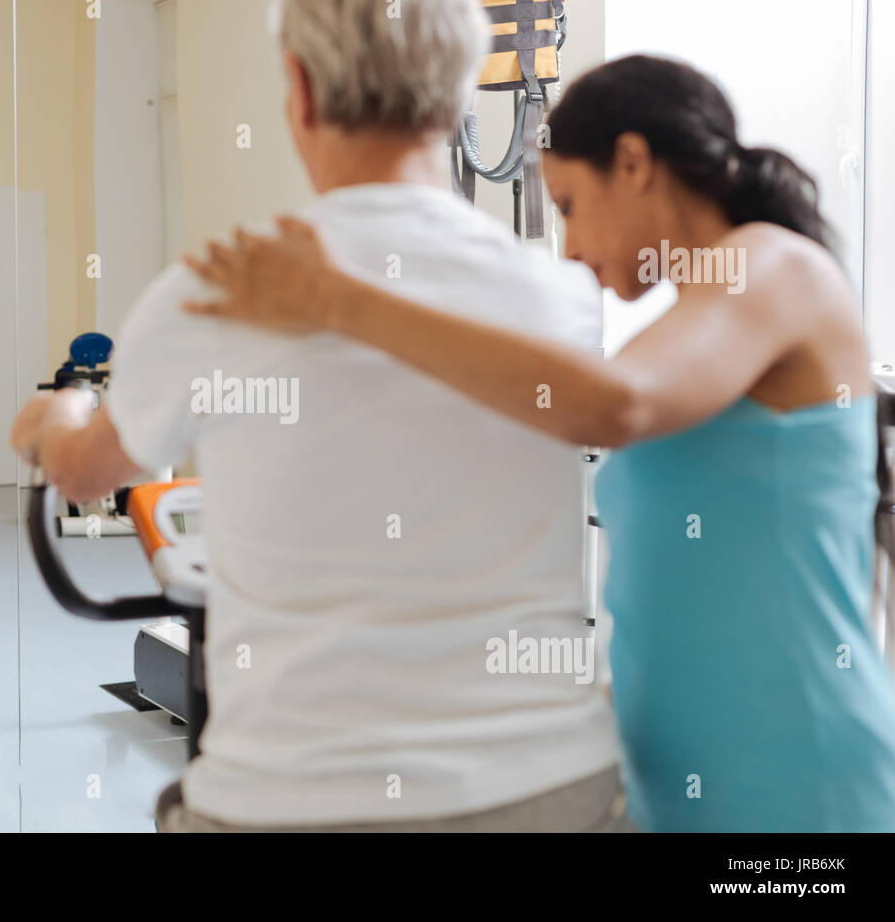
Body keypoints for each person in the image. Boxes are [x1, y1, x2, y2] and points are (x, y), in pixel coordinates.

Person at [180, 54, 895, 831]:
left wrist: (339, 300)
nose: (571, 247)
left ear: (633, 160)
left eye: (570, 205)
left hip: (795, 784)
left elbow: (615, 405)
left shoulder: (777, 267)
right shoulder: (688, 326)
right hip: (677, 781)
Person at [13, 0, 625, 832]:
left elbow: (82, 475)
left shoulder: (218, 287)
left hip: (291, 803)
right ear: (462, 85)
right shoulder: (564, 298)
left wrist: (56, 412)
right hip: (552, 789)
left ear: (298, 87)